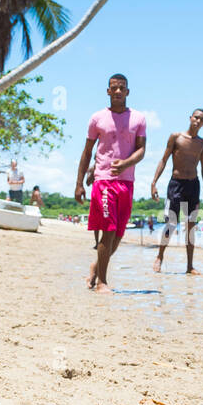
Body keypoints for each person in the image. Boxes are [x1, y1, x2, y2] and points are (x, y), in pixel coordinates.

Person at [75, 74, 146, 291]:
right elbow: (87, 152)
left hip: (127, 181)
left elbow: (141, 150)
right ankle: (102, 283)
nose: (117, 92)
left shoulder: (139, 118)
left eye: (121, 88)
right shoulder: (97, 118)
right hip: (103, 180)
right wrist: (79, 183)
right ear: (108, 91)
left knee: (118, 234)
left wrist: (126, 164)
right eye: (113, 88)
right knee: (108, 229)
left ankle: (96, 268)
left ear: (127, 92)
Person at [150, 108, 203, 274]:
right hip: (176, 185)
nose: (197, 121)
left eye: (201, 119)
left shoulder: (202, 144)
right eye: (196, 117)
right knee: (172, 223)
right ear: (190, 117)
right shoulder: (176, 137)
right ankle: (160, 256)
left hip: (193, 185)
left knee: (191, 227)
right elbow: (163, 160)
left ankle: (189, 266)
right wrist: (154, 182)